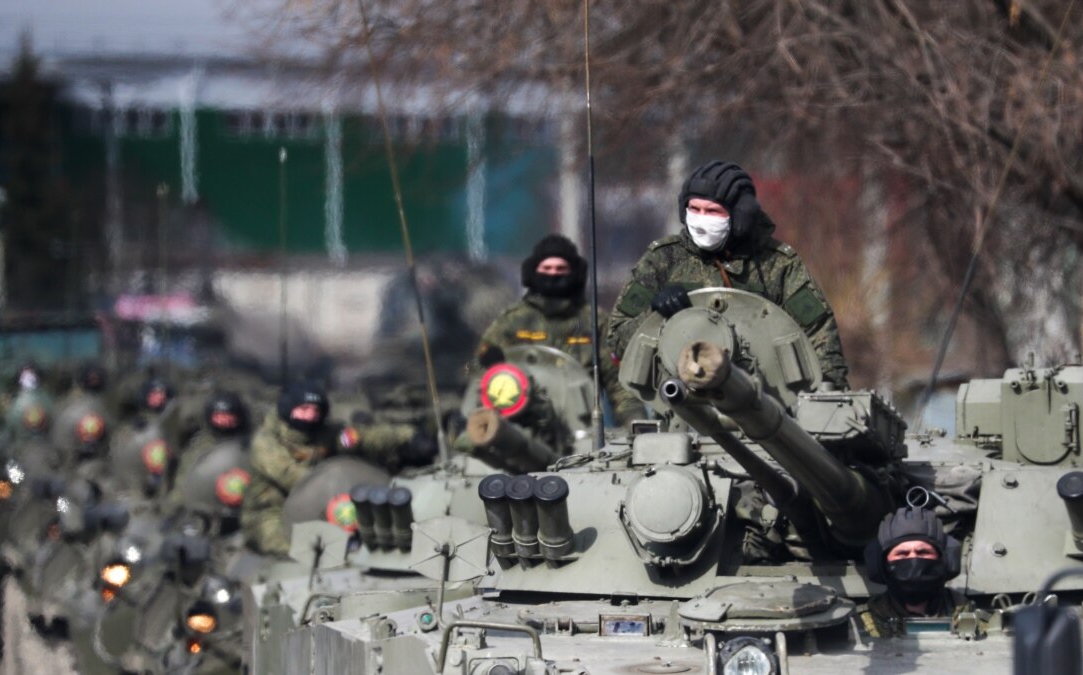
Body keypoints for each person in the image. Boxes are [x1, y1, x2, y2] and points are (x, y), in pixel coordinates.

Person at [606, 160, 849, 389]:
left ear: (741, 217)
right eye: (694, 209)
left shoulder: (777, 264)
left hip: (769, 401)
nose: (701, 220)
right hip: (682, 405)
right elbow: (618, 340)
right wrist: (655, 314)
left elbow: (820, 334)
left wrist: (829, 399)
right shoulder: (662, 260)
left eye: (712, 211)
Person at [242, 381, 434, 557]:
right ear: (287, 410)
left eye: (316, 410)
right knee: (297, 549)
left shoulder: (327, 434)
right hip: (271, 510)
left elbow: (367, 437)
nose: (310, 415)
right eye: (304, 409)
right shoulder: (266, 443)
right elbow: (294, 477)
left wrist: (408, 436)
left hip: (327, 504)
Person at [475, 234, 645, 424]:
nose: (553, 274)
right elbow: (477, 375)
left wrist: (634, 426)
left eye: (561, 269)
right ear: (534, 272)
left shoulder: (594, 322)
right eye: (546, 268)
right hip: (520, 427)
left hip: (581, 429)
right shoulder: (512, 322)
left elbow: (619, 385)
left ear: (574, 273)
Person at [859, 507, 968, 638]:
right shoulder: (862, 624)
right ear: (882, 565)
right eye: (902, 553)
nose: (913, 559)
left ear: (944, 560)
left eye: (923, 552)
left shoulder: (969, 614)